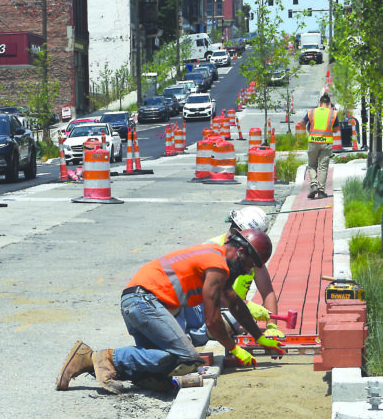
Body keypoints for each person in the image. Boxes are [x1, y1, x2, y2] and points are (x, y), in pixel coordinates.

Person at [56, 229, 282, 394]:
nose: (247, 270)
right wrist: (234, 349)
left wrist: (259, 336)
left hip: (137, 303)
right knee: (187, 357)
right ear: (241, 251)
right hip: (144, 302)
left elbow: (235, 304)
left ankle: (87, 361)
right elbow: (212, 321)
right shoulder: (217, 264)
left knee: (166, 360)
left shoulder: (214, 256)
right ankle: (105, 358)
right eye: (250, 264)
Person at [181, 207, 284, 346]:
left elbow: (268, 292)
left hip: (232, 307)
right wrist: (246, 307)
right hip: (201, 308)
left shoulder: (249, 254)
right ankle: (191, 338)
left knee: (237, 322)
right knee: (233, 324)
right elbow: (209, 293)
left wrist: (272, 327)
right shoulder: (211, 249)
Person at [302, 92, 339, 199]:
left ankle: (313, 185)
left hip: (313, 142)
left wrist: (309, 127)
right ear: (329, 103)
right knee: (323, 167)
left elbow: (303, 123)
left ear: (320, 102)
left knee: (312, 165)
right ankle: (321, 190)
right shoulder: (333, 113)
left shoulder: (312, 112)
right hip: (326, 143)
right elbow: (336, 130)